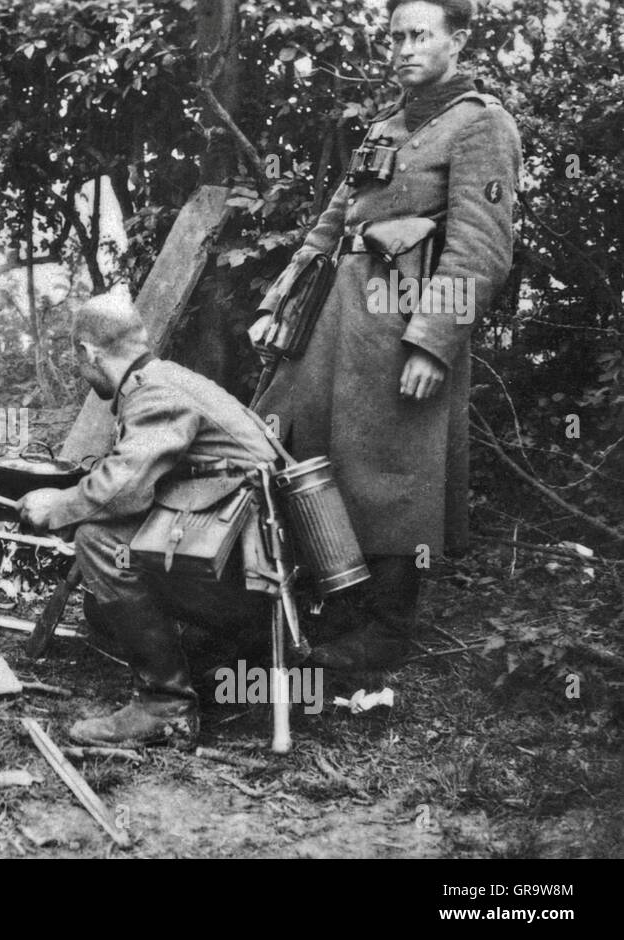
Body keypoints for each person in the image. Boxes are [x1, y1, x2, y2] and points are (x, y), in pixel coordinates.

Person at [254, 0, 522, 669]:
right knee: (310, 453)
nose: (403, 48)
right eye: (395, 36)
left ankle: (384, 631)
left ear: (454, 42)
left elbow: (479, 248)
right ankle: (335, 604)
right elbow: (330, 224)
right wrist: (279, 301)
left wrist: (433, 341)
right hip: (337, 322)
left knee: (393, 474)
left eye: (419, 36)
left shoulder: (481, 124)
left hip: (402, 327)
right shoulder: (387, 126)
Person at [18, 289, 276, 747]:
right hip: (260, 559)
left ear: (88, 352)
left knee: (99, 540)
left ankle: (164, 703)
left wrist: (56, 507)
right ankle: (221, 658)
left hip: (255, 579)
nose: (80, 371)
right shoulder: (166, 378)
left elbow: (124, 490)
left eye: (77, 361)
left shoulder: (155, 394)